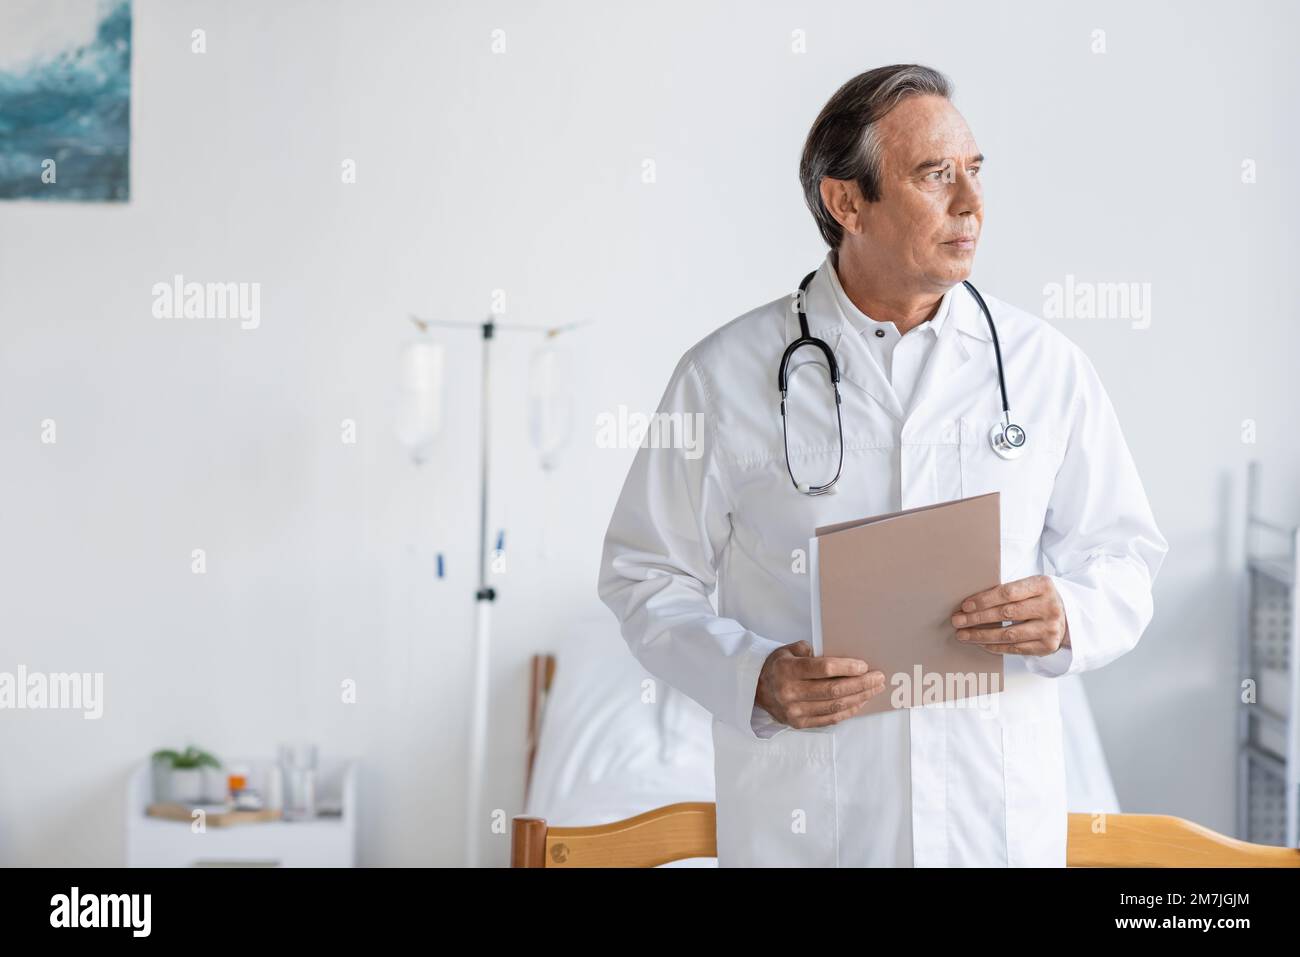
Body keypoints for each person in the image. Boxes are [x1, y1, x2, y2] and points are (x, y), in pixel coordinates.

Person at [597, 64, 1168, 866]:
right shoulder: (722, 376)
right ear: (846, 202)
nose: (971, 204)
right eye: (935, 175)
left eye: (974, 171)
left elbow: (1127, 558)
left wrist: (1069, 614)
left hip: (990, 820)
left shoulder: (1047, 368)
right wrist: (753, 675)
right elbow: (643, 573)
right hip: (813, 822)